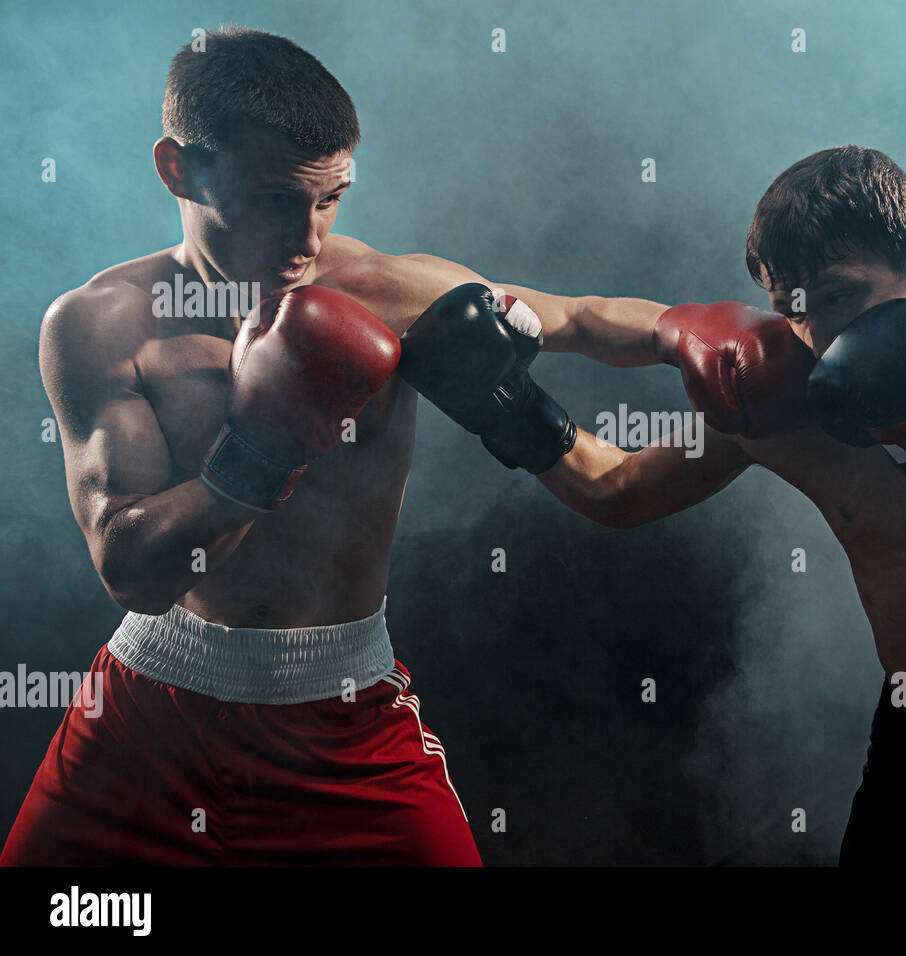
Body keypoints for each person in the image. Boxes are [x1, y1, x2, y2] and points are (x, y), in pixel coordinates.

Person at [1, 26, 665, 866]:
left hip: (346, 719)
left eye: (330, 198)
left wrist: (702, 336)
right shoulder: (101, 325)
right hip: (148, 726)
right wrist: (261, 452)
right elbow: (132, 570)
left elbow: (584, 318)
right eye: (276, 200)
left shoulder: (385, 292)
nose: (308, 238)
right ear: (178, 169)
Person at [446, 146, 906, 865]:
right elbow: (620, 489)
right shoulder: (782, 393)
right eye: (793, 309)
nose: (820, 337)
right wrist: (511, 411)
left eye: (840, 297)